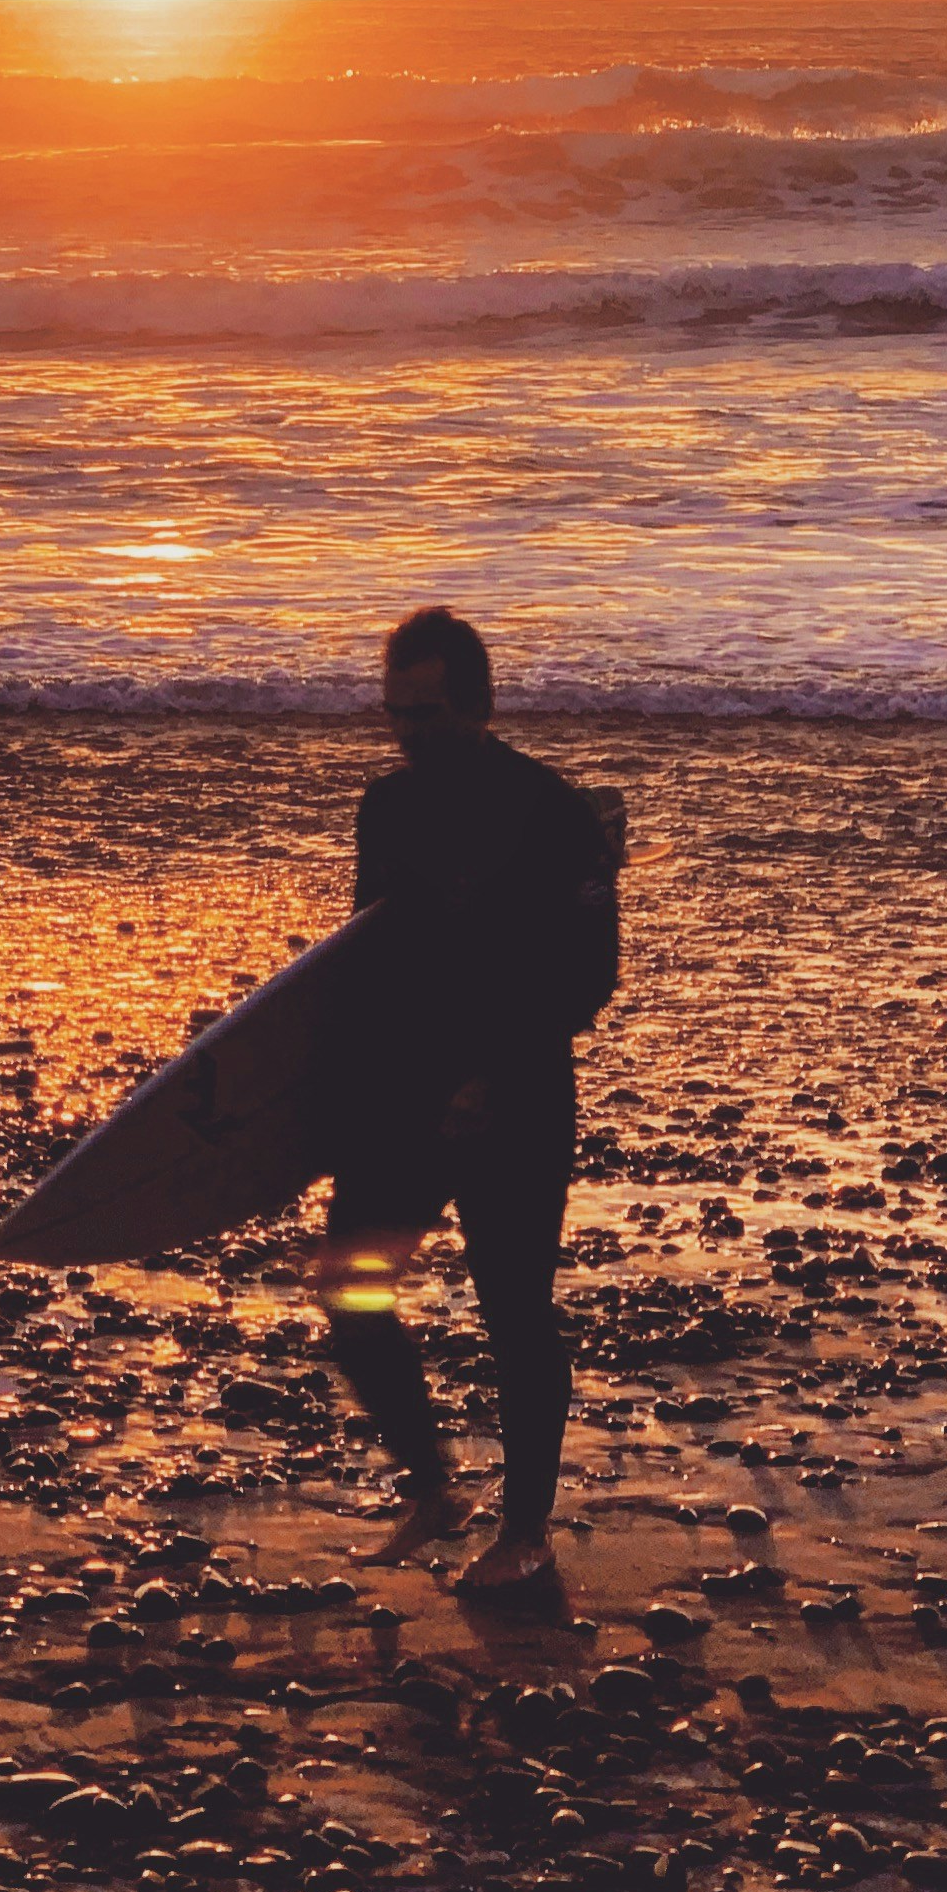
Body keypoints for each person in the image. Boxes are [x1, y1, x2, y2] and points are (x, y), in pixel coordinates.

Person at [313, 605, 623, 1596]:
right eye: (397, 712)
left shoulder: (552, 812)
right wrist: (318, 1085)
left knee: (515, 1317)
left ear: (481, 706)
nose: (412, 731)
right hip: (406, 1095)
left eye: (432, 712)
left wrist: (492, 1075)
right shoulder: (386, 809)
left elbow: (590, 975)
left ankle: (525, 1533)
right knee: (351, 1295)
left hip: (517, 1098)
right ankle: (433, 1488)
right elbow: (365, 959)